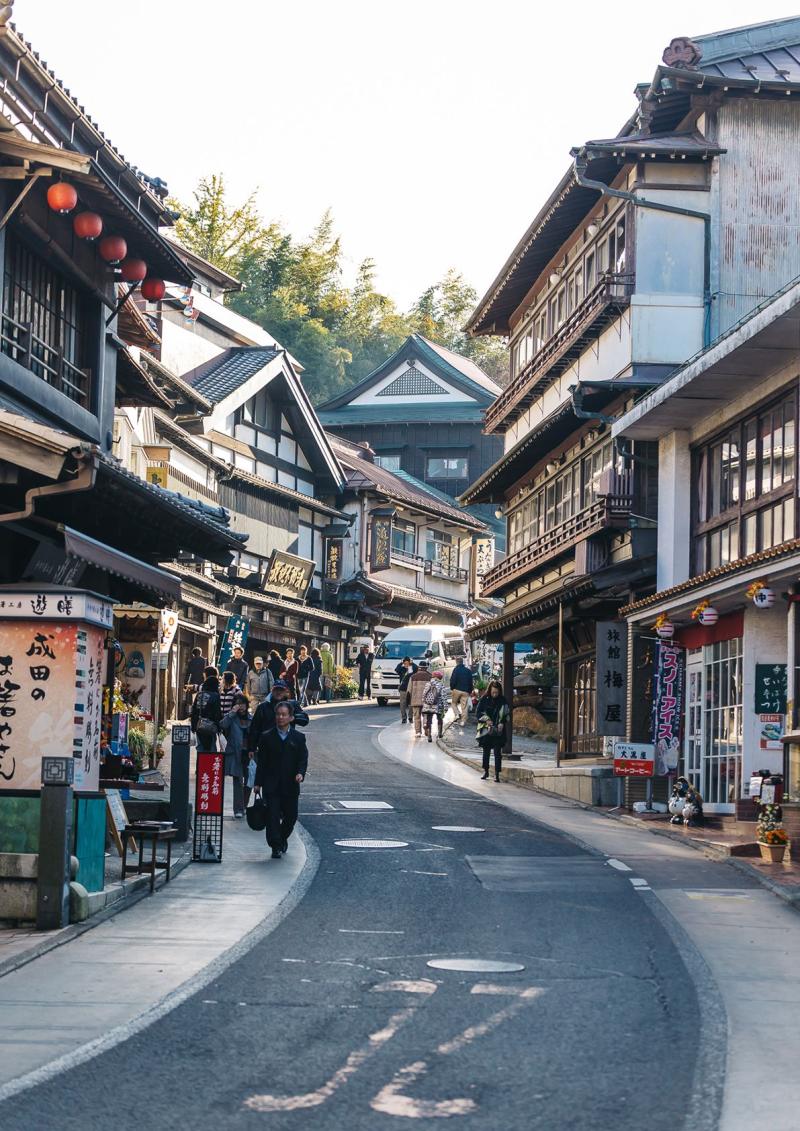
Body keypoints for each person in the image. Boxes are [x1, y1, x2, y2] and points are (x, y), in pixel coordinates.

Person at [254, 702, 308, 859]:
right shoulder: (267, 737)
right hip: (271, 784)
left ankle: (282, 837)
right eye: (278, 714)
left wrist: (300, 773)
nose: (280, 717)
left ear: (291, 718)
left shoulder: (298, 738)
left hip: (291, 784)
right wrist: (257, 783)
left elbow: (302, 759)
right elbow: (262, 762)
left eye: (284, 715)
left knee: (291, 816)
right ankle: (275, 845)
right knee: (272, 816)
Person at [248, 680, 309, 758]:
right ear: (272, 690)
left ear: (286, 691)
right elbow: (255, 728)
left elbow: (305, 720)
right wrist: (252, 748)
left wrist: (293, 718)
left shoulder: (293, 705)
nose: (278, 692)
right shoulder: (262, 707)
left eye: (281, 690)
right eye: (276, 690)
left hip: (286, 746)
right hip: (267, 746)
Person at [221, 692, 251, 818]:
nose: (241, 706)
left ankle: (244, 805)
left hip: (249, 754)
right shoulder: (231, 718)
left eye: (242, 703)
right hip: (235, 753)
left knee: (249, 781)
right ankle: (238, 809)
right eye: (238, 704)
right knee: (238, 782)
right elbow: (222, 725)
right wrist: (232, 712)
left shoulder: (252, 718)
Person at [475, 679, 511, 782]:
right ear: (489, 690)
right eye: (493, 692)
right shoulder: (484, 699)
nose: (494, 694)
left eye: (496, 692)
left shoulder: (503, 700)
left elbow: (507, 714)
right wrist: (487, 720)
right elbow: (478, 713)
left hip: (498, 731)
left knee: (497, 753)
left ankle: (497, 774)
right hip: (487, 729)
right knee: (486, 751)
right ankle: (485, 771)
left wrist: (502, 722)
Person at [190, 668, 222, 753]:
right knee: (211, 748)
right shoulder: (215, 695)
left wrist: (193, 726)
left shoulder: (199, 694)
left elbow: (194, 711)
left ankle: (200, 765)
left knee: (200, 748)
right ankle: (209, 765)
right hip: (211, 726)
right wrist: (219, 727)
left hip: (199, 725)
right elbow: (217, 713)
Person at [449, 656, 474, 730]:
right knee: (464, 706)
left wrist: (452, 688)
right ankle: (463, 721)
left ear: (456, 662)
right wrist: (470, 691)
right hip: (465, 691)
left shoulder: (456, 670)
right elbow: (470, 682)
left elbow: (453, 680)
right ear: (462, 662)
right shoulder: (468, 671)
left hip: (456, 689)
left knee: (453, 703)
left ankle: (457, 714)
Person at [421, 670, 446, 742]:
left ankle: (429, 736)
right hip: (438, 705)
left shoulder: (428, 684)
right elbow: (444, 697)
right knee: (440, 719)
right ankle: (440, 733)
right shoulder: (441, 685)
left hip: (428, 705)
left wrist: (424, 703)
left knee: (429, 720)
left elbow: (424, 695)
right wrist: (446, 707)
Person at [408, 660, 431, 737]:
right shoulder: (430, 676)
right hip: (427, 701)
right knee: (426, 715)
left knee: (416, 717)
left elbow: (409, 690)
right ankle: (426, 726)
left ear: (419, 667)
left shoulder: (413, 676)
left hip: (415, 700)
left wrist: (410, 700)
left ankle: (418, 732)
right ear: (426, 668)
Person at [395, 656, 417, 724]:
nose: (406, 664)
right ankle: (404, 717)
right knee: (402, 704)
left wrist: (412, 663)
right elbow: (396, 669)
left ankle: (410, 717)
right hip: (403, 688)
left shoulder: (412, 669)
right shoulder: (402, 669)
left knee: (411, 704)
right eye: (405, 663)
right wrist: (400, 663)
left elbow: (417, 668)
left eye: (407, 663)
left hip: (411, 688)